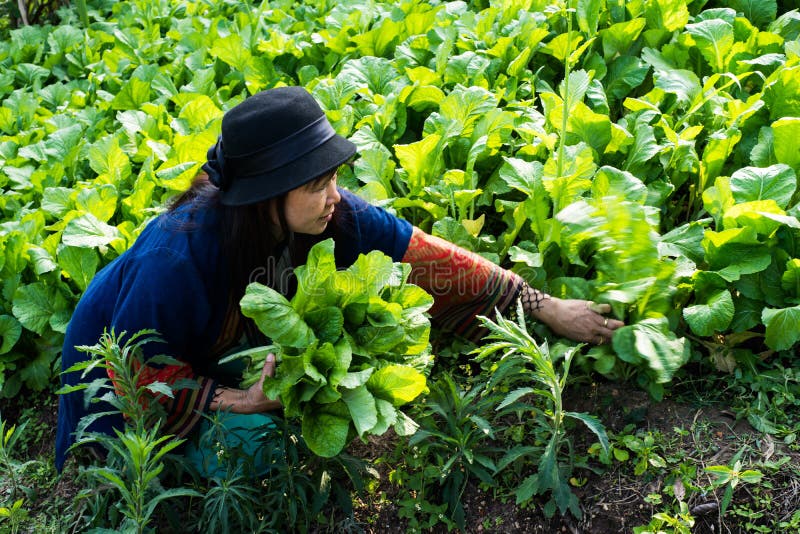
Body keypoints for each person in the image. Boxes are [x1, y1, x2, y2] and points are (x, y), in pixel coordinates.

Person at [55, 86, 623, 475]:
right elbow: (140, 371)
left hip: (206, 346)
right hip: (115, 363)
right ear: (262, 198)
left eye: (333, 178)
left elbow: (428, 256)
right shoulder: (175, 259)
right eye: (315, 185)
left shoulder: (328, 212)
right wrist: (244, 400)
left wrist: (544, 306)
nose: (333, 197)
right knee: (254, 449)